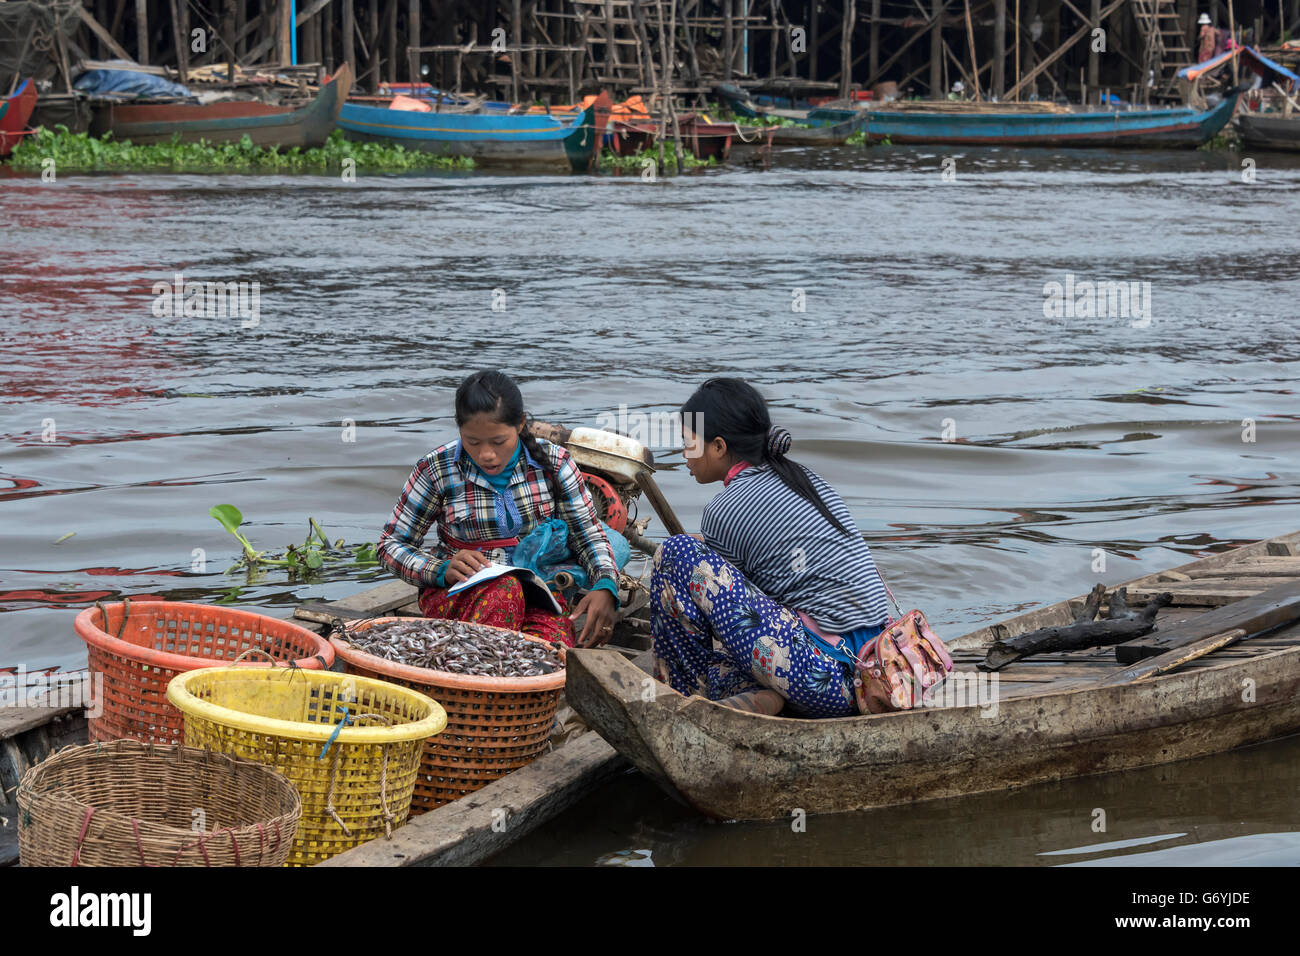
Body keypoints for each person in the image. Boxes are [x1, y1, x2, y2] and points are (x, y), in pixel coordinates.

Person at [649, 378, 893, 718]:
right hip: (879, 671)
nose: (684, 455)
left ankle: (686, 690)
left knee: (675, 553)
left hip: (825, 680)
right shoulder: (805, 479)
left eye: (689, 444)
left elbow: (728, 610)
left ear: (718, 447)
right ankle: (764, 695)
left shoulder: (724, 508)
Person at [377, 370, 619, 647]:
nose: (486, 455)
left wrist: (605, 584)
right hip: (458, 595)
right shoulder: (437, 468)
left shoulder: (555, 463)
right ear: (459, 430)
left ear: (520, 424)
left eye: (498, 441)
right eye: (473, 442)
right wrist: (440, 569)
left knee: (555, 650)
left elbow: (587, 533)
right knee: (505, 591)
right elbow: (391, 545)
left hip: (539, 596)